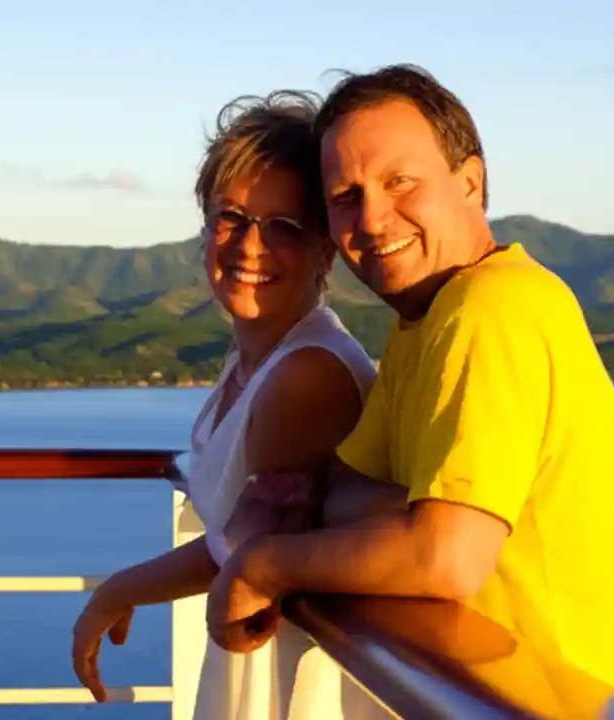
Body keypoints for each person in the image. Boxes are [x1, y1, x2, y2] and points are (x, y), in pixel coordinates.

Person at [206, 65, 614, 720]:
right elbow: (336, 491)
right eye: (346, 195)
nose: (374, 218)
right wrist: (416, 515)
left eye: (398, 181)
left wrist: (263, 567)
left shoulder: (491, 308)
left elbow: (444, 559)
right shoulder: (423, 325)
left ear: (470, 182)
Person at [71, 90, 383, 719]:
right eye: (231, 217)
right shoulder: (261, 356)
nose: (249, 246)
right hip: (254, 661)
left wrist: (116, 592)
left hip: (287, 681)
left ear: (326, 248)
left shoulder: (306, 377)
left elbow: (245, 554)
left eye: (284, 227)